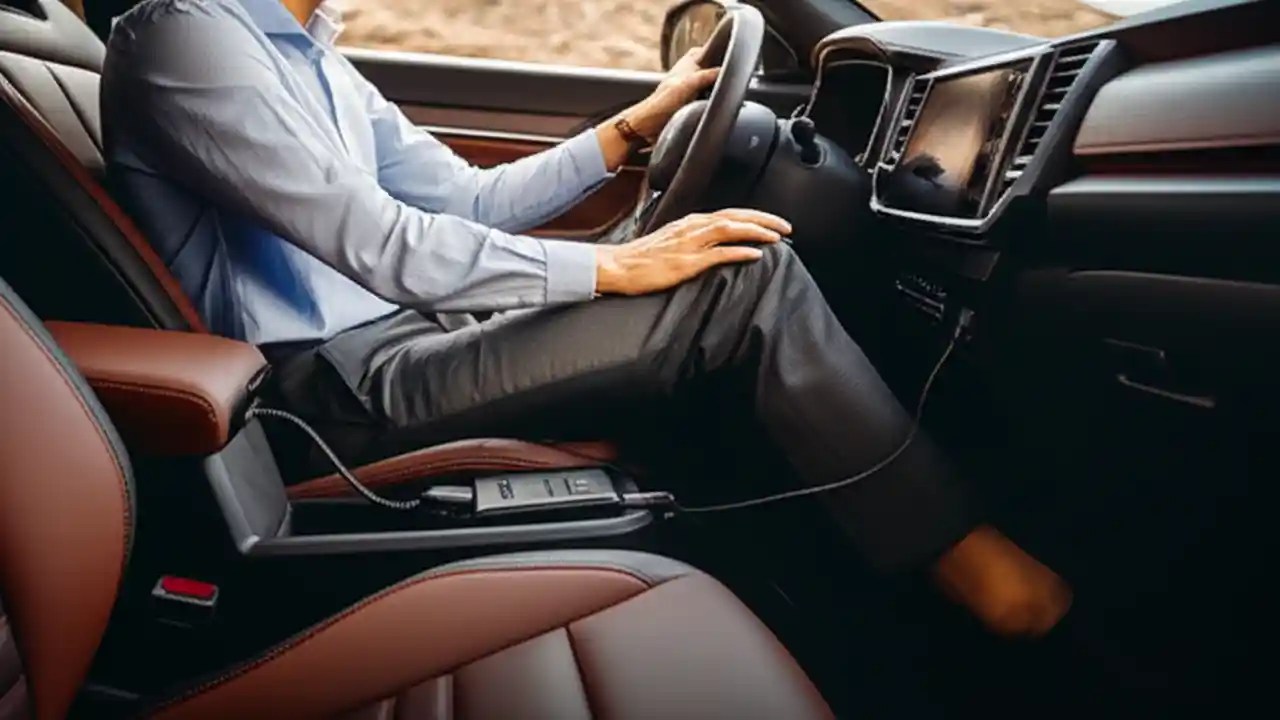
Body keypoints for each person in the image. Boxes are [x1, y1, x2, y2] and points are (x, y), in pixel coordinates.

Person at [103, 0, 1071, 637]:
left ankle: (858, 569)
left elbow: (463, 202)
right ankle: (976, 573)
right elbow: (386, 247)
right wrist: (615, 265)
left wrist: (631, 129)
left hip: (397, 337)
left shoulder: (302, 51)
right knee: (738, 282)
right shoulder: (186, 34)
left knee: (723, 272)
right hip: (322, 395)